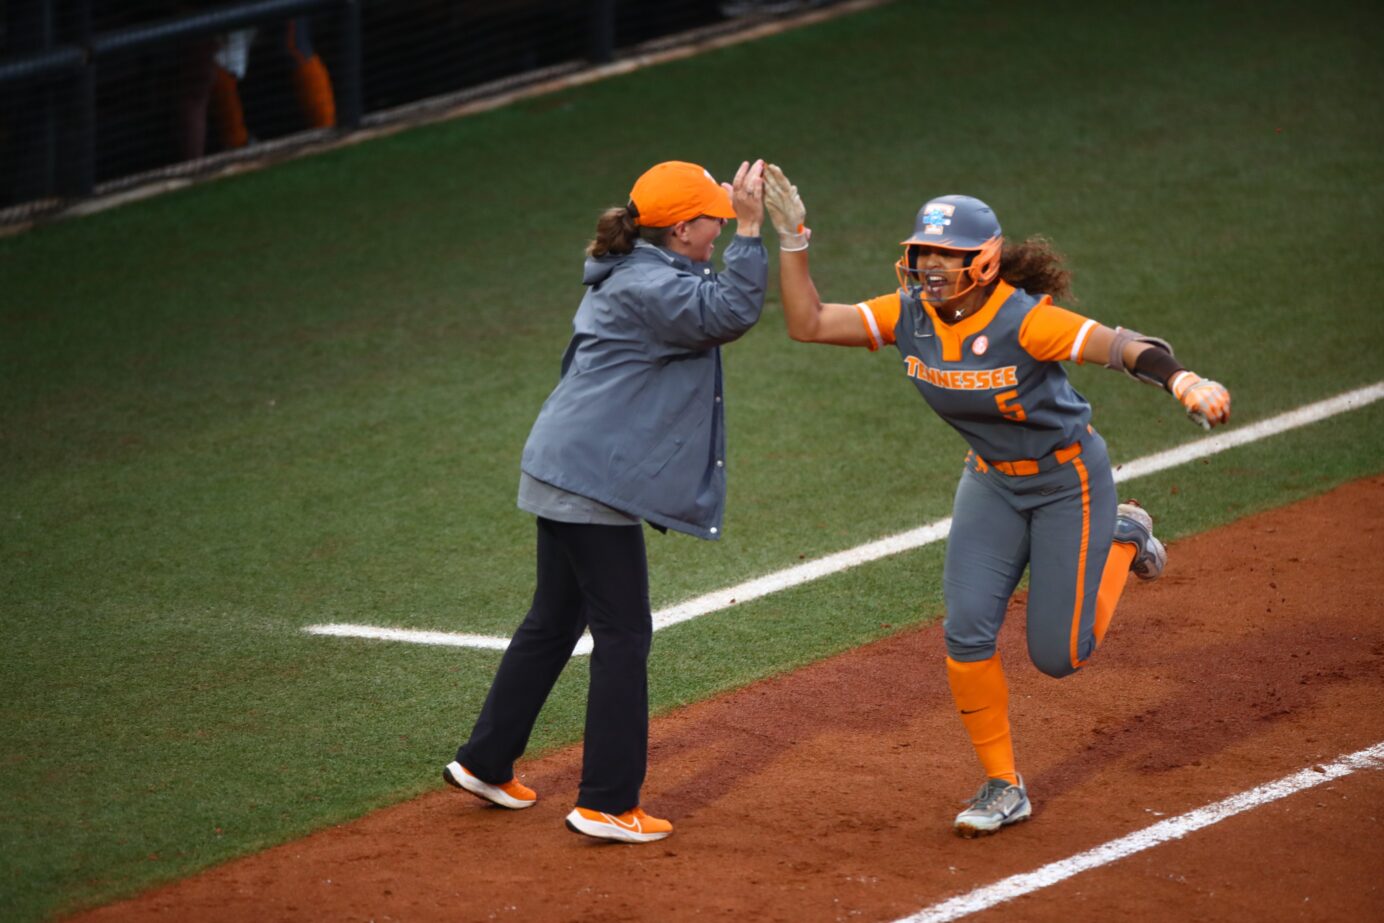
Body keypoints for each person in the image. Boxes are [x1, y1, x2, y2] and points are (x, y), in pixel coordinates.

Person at [761, 164, 1230, 837]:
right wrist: (795, 238)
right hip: (990, 483)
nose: (927, 267)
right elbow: (807, 322)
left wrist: (1181, 379)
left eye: (944, 257)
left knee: (1059, 655)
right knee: (966, 630)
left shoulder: (1026, 322)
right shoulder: (908, 316)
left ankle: (1122, 538)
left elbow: (1124, 346)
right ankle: (1003, 783)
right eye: (922, 252)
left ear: (981, 262)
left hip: (1068, 482)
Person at [443, 159, 767, 843]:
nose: (718, 226)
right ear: (683, 228)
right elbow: (731, 311)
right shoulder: (652, 283)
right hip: (589, 479)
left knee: (554, 618)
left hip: (563, 466)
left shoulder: (642, 269)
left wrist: (748, 233)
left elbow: (710, 296)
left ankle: (485, 760)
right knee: (624, 633)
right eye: (713, 216)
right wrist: (753, 231)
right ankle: (607, 802)